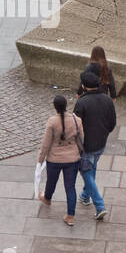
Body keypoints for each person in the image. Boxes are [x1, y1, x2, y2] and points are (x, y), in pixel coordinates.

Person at [74, 70, 117, 219]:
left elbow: (76, 126)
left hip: (86, 146)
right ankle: (85, 196)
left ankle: (100, 206)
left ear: (84, 86)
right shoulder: (106, 99)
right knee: (91, 168)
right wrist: (104, 133)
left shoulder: (81, 103)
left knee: (86, 171)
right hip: (101, 143)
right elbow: (112, 123)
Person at [37, 95, 83, 226]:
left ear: (55, 107)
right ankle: (70, 215)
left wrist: (40, 160)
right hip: (72, 159)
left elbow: (46, 143)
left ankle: (47, 198)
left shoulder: (52, 121)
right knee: (70, 187)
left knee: (51, 181)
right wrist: (79, 152)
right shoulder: (76, 120)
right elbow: (81, 140)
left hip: (54, 159)